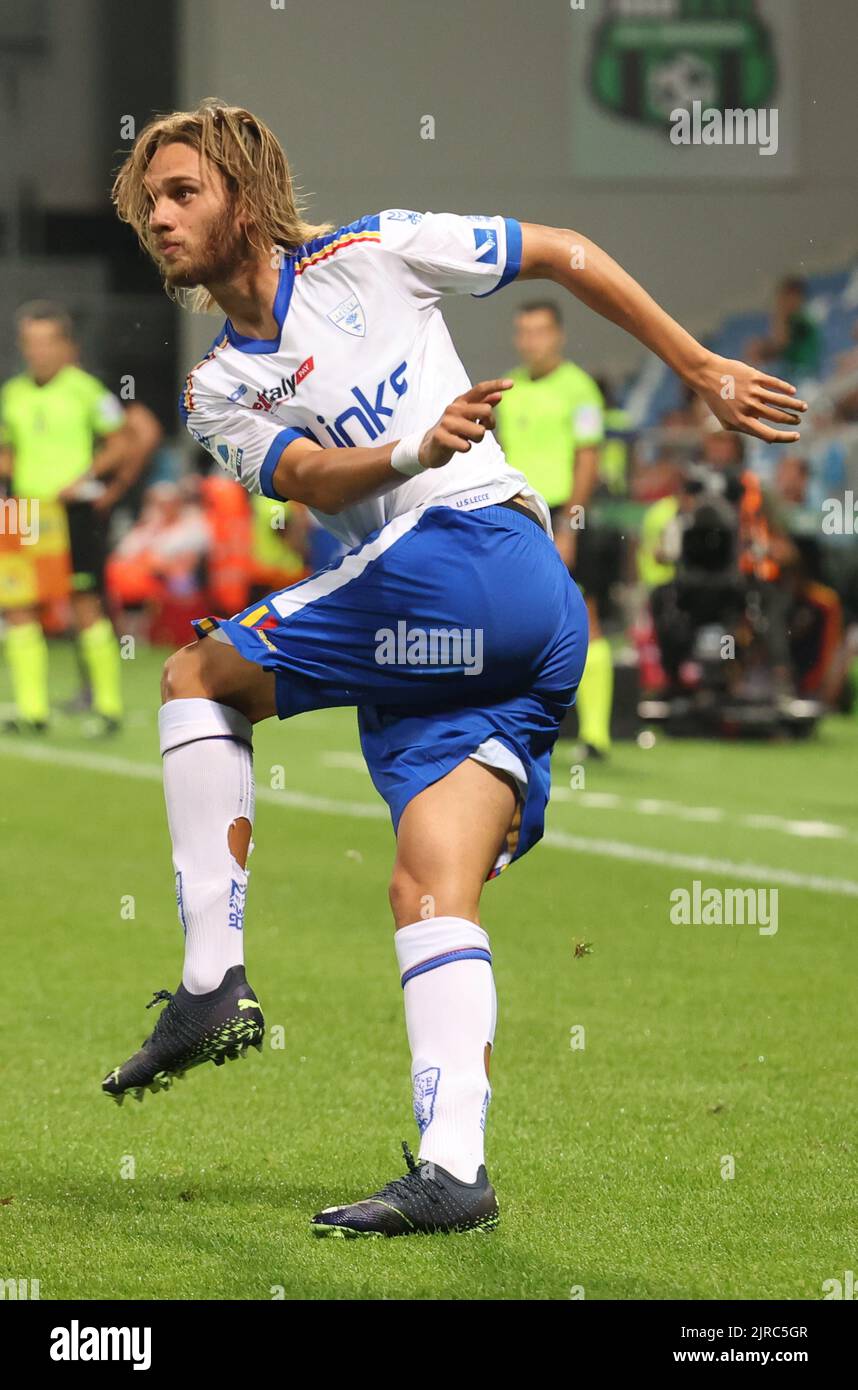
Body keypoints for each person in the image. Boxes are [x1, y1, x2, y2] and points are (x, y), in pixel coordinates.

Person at [104, 100, 805, 1239]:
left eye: (184, 190)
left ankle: (209, 983)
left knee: (196, 678)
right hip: (500, 633)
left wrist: (698, 367)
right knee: (430, 885)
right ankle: (454, 1172)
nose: (160, 214)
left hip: (472, 558)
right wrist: (409, 448)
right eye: (151, 200)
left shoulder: (377, 253)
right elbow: (318, 483)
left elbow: (564, 254)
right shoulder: (217, 389)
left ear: (244, 190)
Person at [0, 303, 133, 733]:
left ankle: (107, 708)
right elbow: (8, 452)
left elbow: (121, 442)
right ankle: (32, 711)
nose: (37, 352)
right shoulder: (12, 394)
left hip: (71, 511)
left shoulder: (87, 391)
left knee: (84, 604)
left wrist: (87, 477)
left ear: (65, 346)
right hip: (21, 510)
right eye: (30, 343)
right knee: (18, 607)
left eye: (46, 342)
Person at [495, 301, 614, 757]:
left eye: (540, 331)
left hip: (564, 511)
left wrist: (570, 524)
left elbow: (588, 456)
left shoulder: (580, 389)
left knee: (586, 611)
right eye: (524, 331)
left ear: (558, 335)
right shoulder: (509, 388)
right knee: (516, 615)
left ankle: (596, 736)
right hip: (518, 512)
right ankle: (520, 722)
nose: (532, 341)